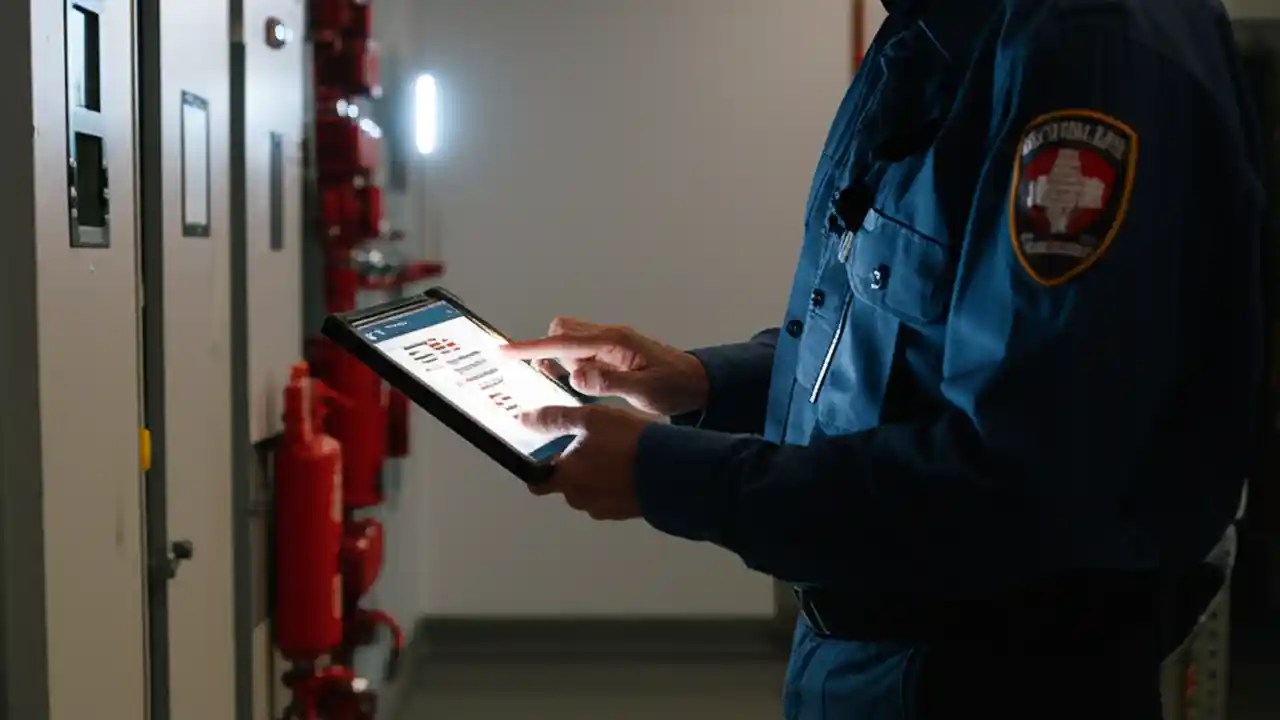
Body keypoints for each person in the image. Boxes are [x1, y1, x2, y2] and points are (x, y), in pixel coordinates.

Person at [501, 0, 1268, 716]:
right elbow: (919, 349)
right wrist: (702, 383)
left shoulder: (1085, 43)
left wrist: (663, 474)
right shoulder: (942, 25)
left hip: (980, 672)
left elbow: (1020, 477)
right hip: (875, 649)